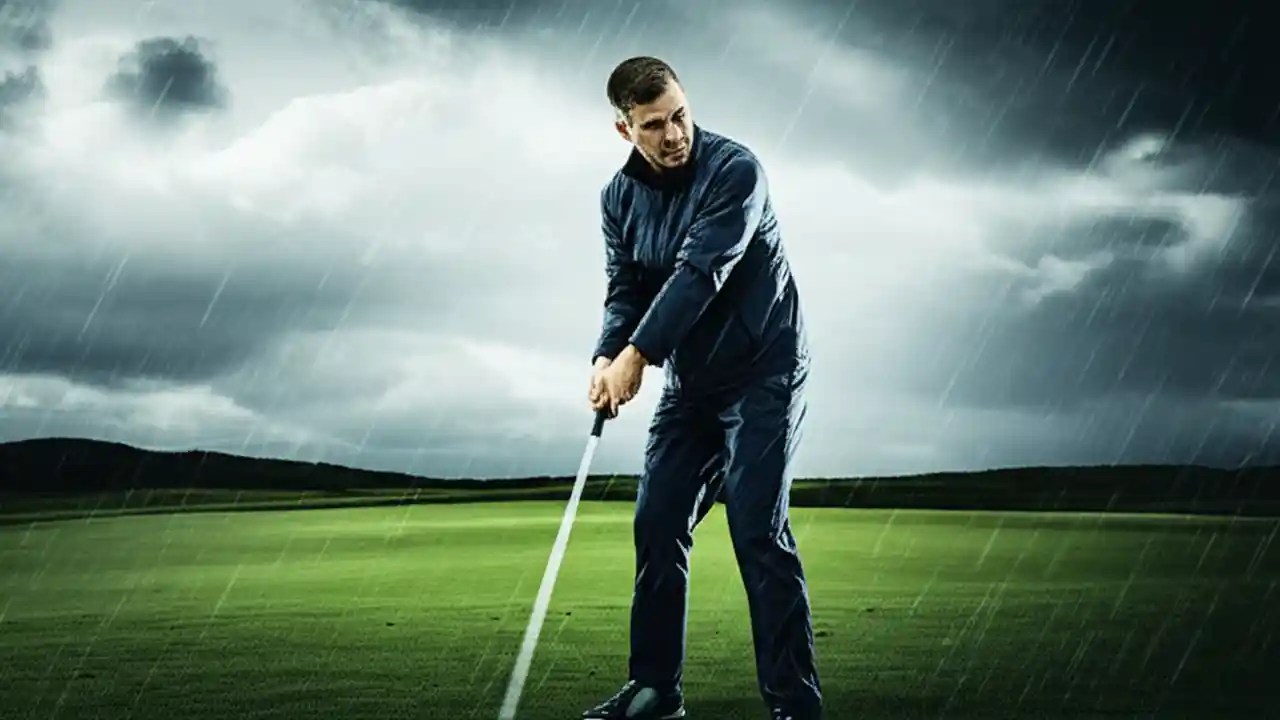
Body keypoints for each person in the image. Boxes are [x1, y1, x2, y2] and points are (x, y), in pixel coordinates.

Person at [582, 56, 822, 720]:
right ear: (624, 129)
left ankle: (794, 705)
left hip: (763, 372)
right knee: (657, 520)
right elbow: (625, 289)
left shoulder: (737, 172)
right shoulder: (617, 198)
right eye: (653, 125)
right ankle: (655, 689)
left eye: (680, 115)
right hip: (691, 384)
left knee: (757, 529)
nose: (674, 134)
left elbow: (698, 274)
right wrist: (607, 354)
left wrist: (636, 355)